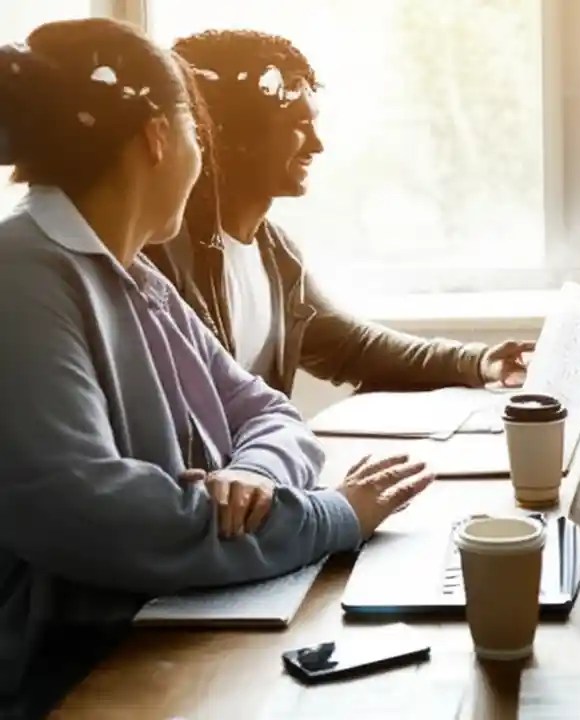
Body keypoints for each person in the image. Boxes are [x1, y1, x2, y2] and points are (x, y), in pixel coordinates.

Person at [0, 20, 430, 713]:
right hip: (63, 680)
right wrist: (332, 516)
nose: (204, 157)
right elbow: (88, 511)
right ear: (158, 139)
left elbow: (268, 411)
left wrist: (251, 479)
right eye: (198, 134)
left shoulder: (131, 273)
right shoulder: (21, 278)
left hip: (154, 633)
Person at [143, 29, 532, 397]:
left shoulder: (276, 252)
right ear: (234, 135)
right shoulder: (161, 254)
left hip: (264, 467)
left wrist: (479, 362)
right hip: (230, 471)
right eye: (299, 126)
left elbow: (351, 348)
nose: (317, 145)